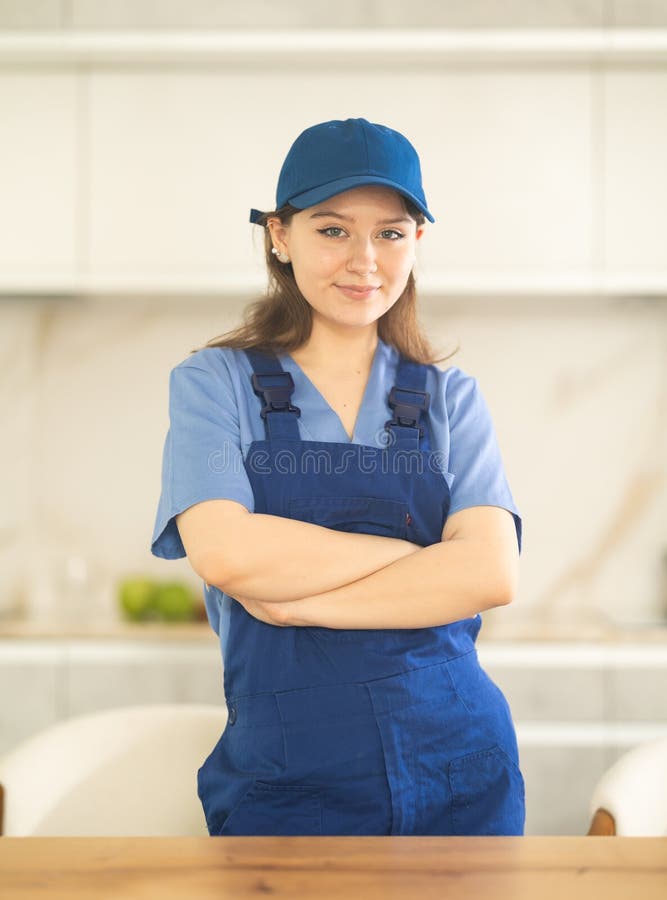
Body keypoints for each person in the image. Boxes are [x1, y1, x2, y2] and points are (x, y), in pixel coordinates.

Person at [151, 117, 525, 836]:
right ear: (279, 235)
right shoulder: (213, 383)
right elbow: (226, 552)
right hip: (290, 783)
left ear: (416, 244)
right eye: (332, 230)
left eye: (390, 232)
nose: (364, 260)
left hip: (461, 771)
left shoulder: (452, 398)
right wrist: (414, 563)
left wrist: (299, 602)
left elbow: (488, 574)